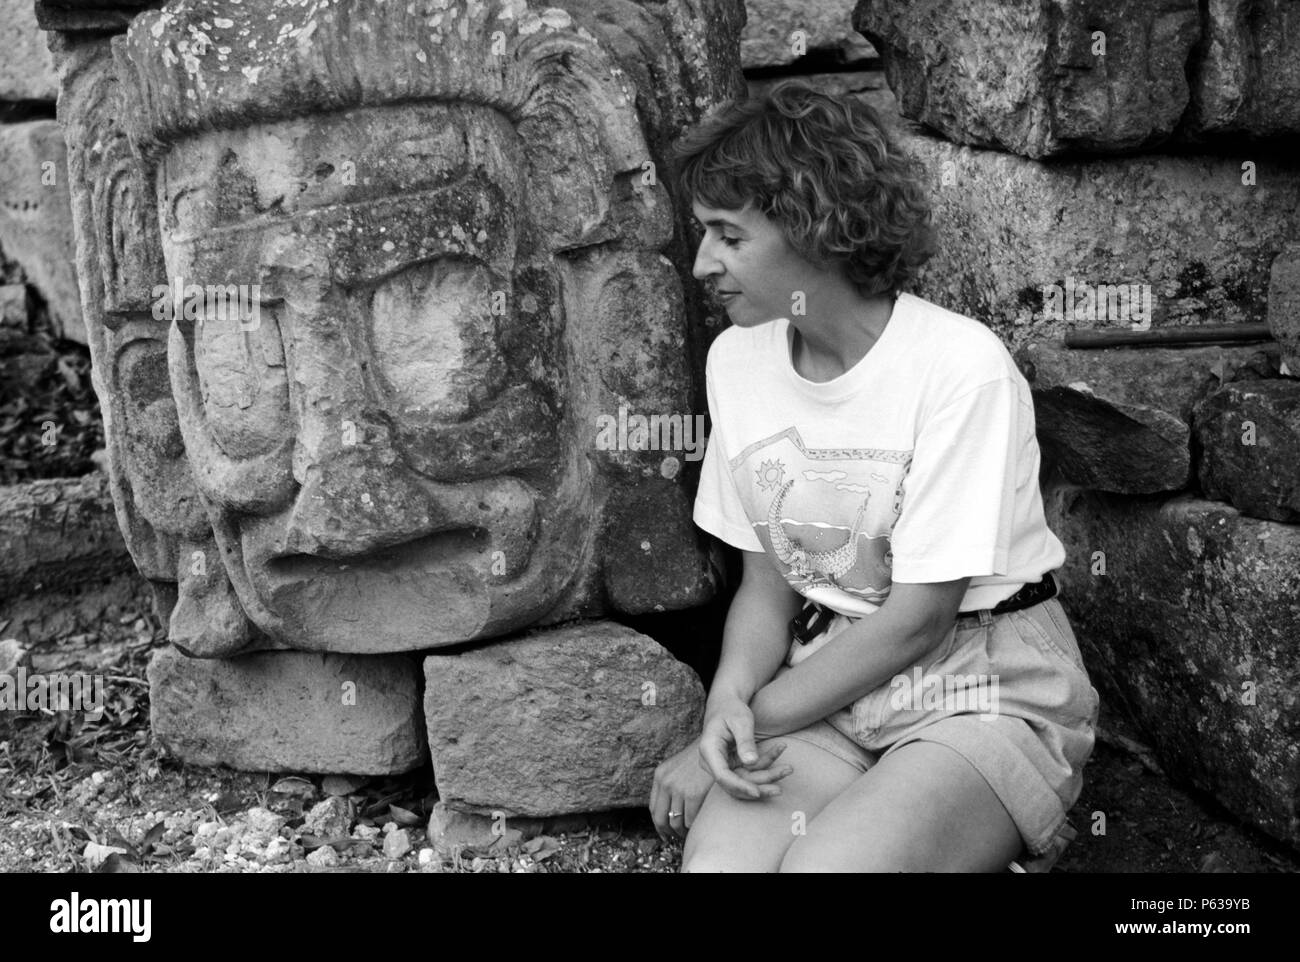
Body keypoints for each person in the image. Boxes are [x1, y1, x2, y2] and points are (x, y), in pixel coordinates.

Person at [648, 80, 1100, 872]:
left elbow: (919, 621)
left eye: (728, 235)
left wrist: (742, 723)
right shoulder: (738, 360)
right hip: (827, 673)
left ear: (813, 227)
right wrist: (725, 705)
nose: (700, 264)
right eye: (702, 234)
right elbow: (767, 587)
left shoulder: (960, 370)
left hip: (978, 678)